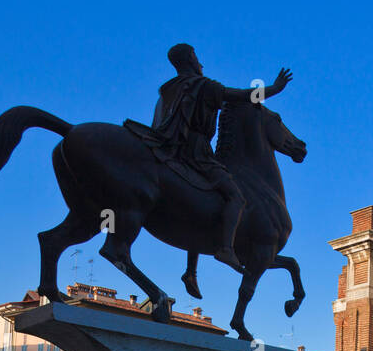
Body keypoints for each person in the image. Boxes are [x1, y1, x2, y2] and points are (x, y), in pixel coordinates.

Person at [124, 44, 292, 272]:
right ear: (190, 61)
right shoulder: (203, 85)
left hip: (170, 150)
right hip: (196, 153)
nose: (200, 63)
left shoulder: (167, 90)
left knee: (201, 203)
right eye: (196, 57)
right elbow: (244, 96)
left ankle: (191, 271)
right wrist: (275, 88)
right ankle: (225, 248)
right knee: (235, 197)